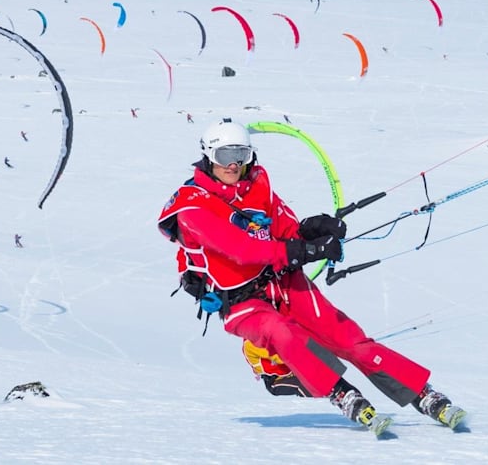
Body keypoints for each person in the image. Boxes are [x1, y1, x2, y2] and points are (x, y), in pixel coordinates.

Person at [158, 119, 466, 435]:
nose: (234, 163)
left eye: (242, 153)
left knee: (350, 340)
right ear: (209, 155)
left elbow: (283, 228)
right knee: (282, 332)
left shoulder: (256, 185)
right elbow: (242, 250)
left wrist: (313, 230)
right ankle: (342, 393)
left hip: (285, 283)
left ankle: (422, 393)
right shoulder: (192, 207)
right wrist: (304, 251)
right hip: (240, 301)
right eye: (225, 155)